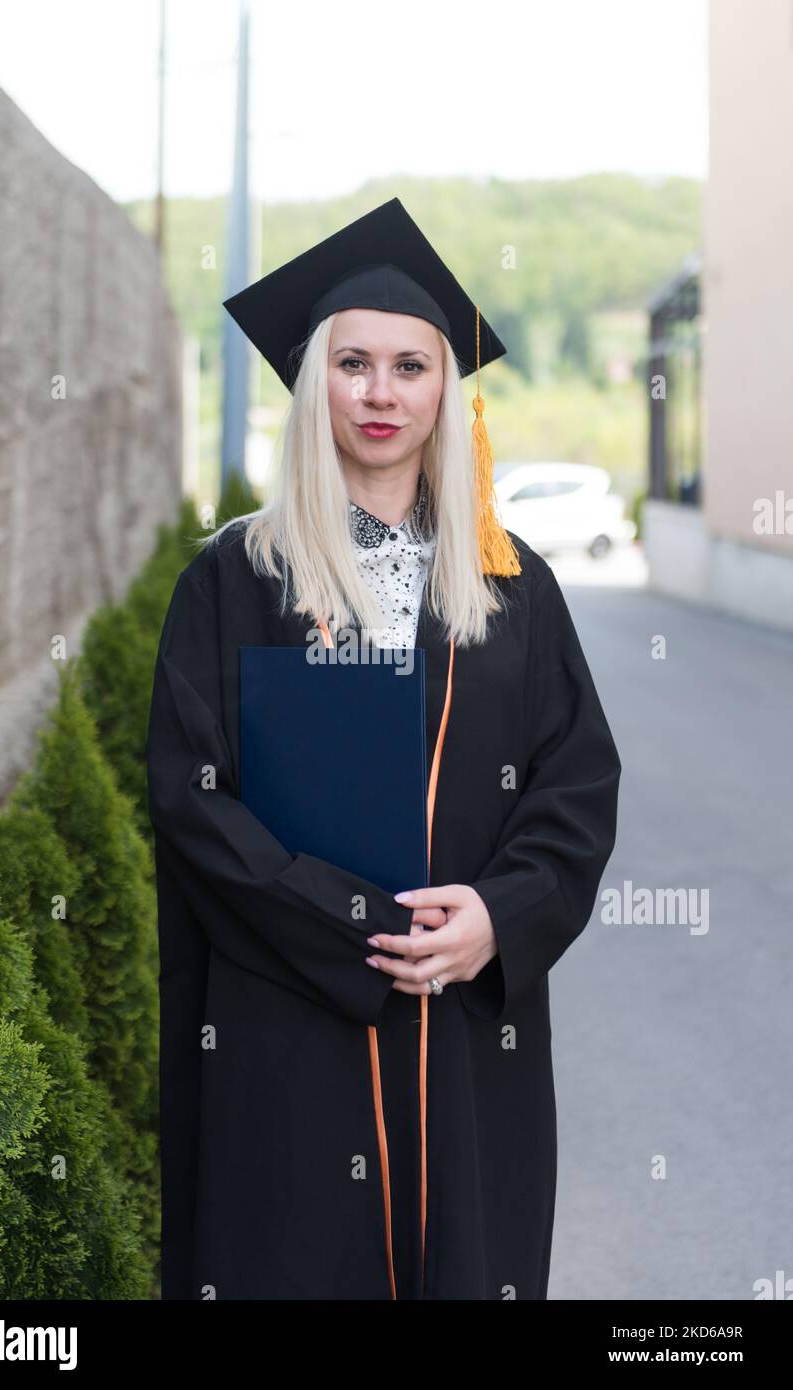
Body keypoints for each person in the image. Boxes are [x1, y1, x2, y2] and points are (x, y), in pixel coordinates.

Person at [145, 197, 622, 1301]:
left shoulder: (512, 586)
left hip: (464, 1020)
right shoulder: (233, 580)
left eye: (411, 366)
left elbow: (576, 781)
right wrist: (356, 925)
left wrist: (498, 917)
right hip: (288, 1014)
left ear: (446, 391)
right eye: (352, 363)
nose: (380, 392)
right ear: (316, 383)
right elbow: (192, 797)